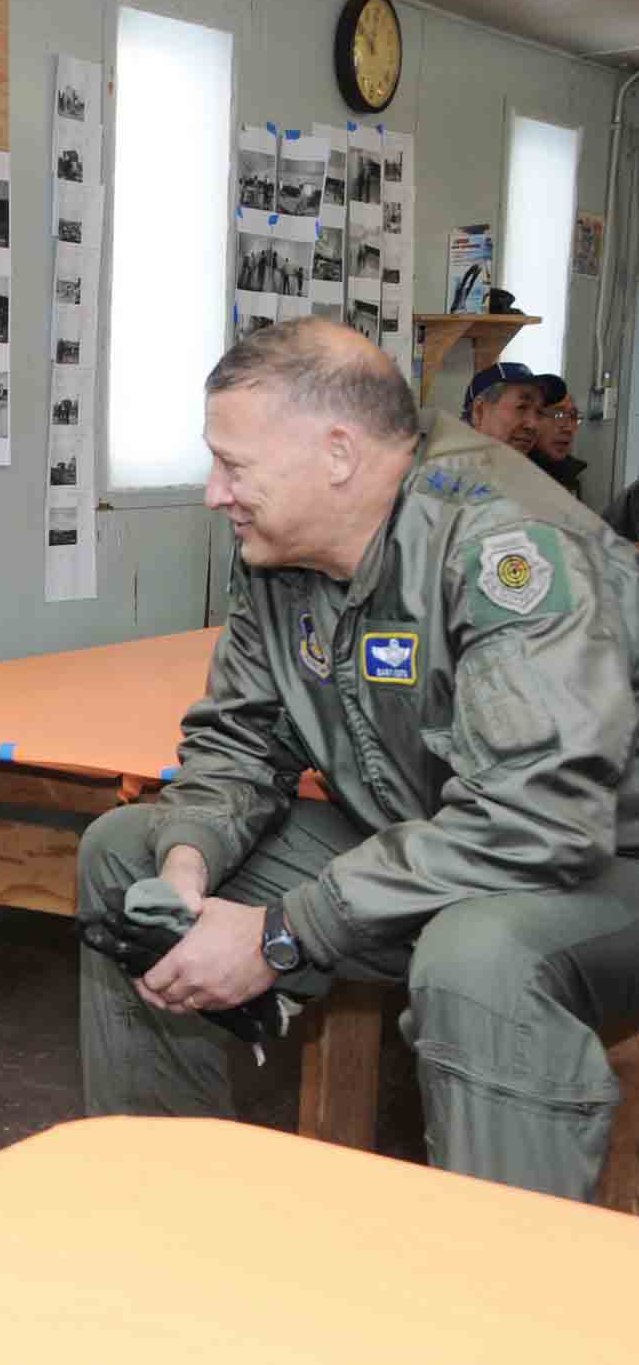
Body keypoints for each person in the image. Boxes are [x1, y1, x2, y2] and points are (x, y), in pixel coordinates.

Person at [76, 317, 639, 1202]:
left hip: (602, 862)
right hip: (435, 836)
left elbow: (538, 821)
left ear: (338, 453)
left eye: (235, 465)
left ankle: (514, 1301)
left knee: (479, 956)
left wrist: (280, 934)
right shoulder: (279, 555)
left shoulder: (508, 545)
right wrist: (188, 869)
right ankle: (162, 1207)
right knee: (125, 851)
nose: (214, 493)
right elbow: (239, 738)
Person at [461, 359, 564, 455]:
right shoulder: (451, 469)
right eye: (522, 407)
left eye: (540, 412)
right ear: (479, 411)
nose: (533, 425)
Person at [528, 392, 587, 499]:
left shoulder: (571, 476)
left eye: (573, 417)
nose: (568, 428)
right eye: (558, 415)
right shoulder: (513, 474)